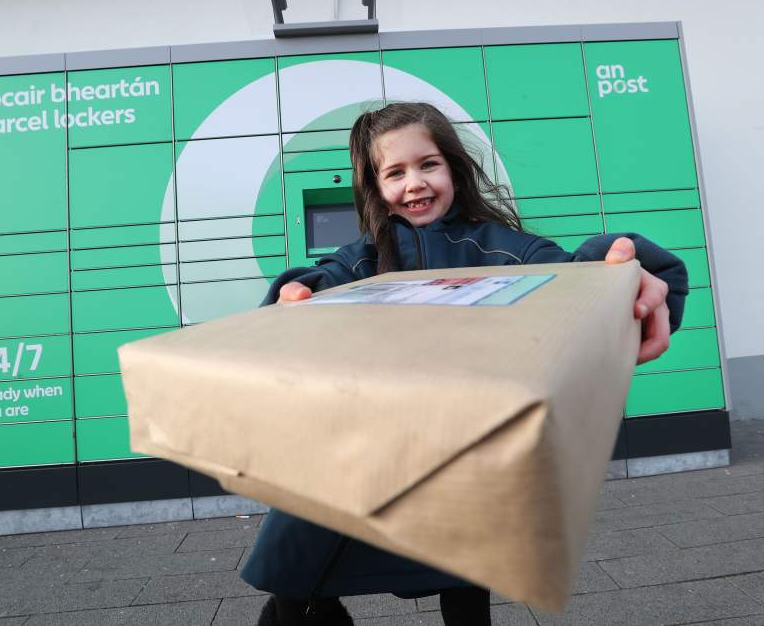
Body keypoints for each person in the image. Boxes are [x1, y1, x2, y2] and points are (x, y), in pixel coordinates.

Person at [244, 102, 688, 625]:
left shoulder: (497, 247)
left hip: (464, 444)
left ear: (454, 167)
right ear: (374, 187)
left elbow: (570, 275)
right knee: (297, 556)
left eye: (428, 164)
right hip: (369, 444)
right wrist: (297, 294)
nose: (415, 183)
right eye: (395, 172)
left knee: (465, 575)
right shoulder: (364, 257)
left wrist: (623, 266)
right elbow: (324, 281)